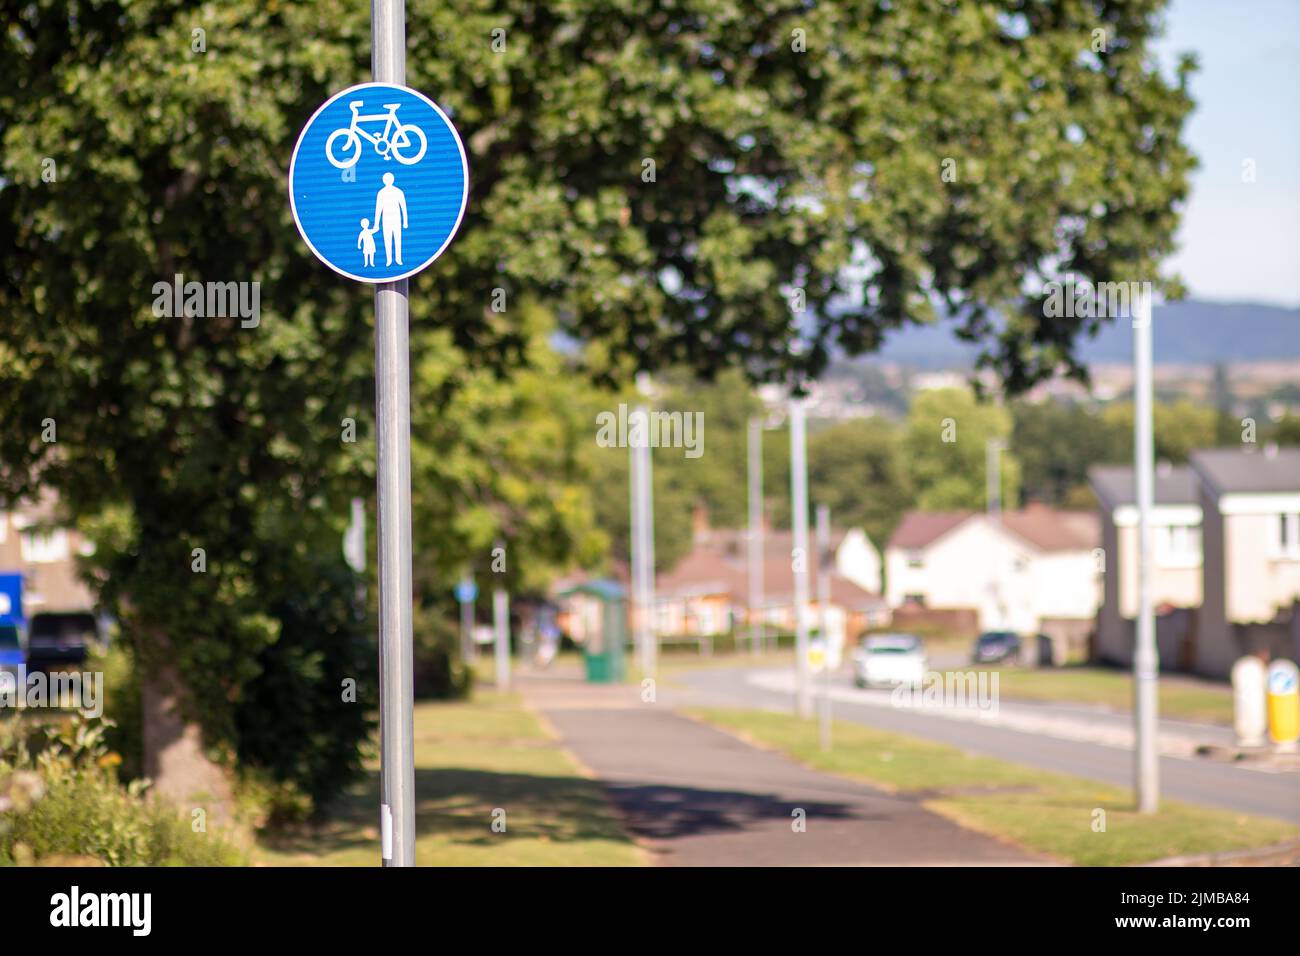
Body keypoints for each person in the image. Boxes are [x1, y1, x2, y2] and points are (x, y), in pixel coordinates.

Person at [372, 172, 408, 266]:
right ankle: (389, 260)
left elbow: (403, 207)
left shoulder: (398, 191)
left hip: (396, 219)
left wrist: (405, 221)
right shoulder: (381, 193)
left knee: (397, 239)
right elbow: (378, 209)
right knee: (387, 239)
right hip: (386, 219)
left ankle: (398, 259)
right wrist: (376, 224)